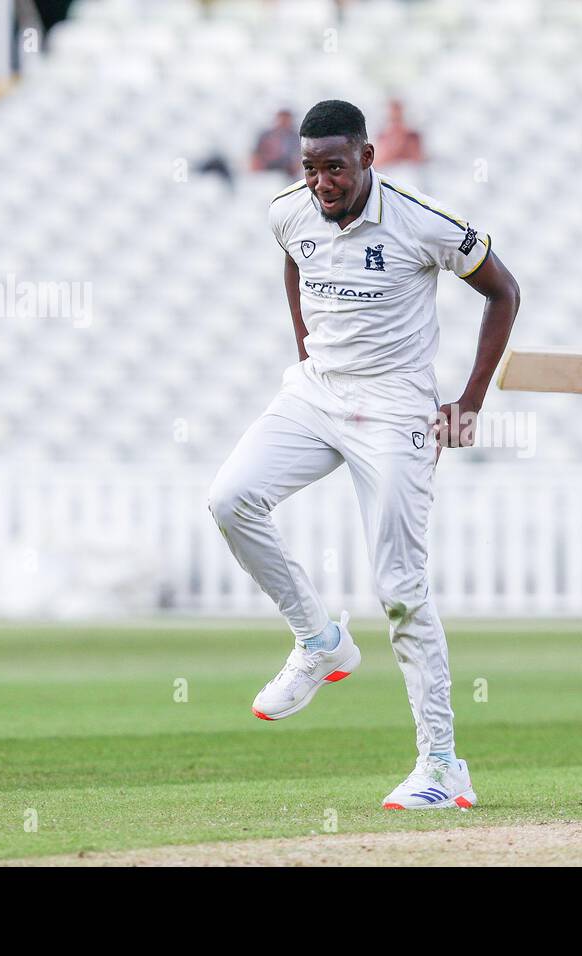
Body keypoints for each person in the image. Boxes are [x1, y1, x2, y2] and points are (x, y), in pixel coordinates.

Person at [208, 100, 521, 811]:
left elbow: (504, 292)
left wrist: (467, 404)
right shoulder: (287, 212)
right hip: (316, 393)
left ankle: (442, 766)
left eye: (336, 168)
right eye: (312, 169)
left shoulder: (423, 220)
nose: (323, 183)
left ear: (368, 158)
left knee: (401, 589)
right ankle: (318, 638)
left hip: (396, 408)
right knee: (229, 499)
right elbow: (295, 265)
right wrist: (305, 353)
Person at [250, 108, 302, 177]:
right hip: (266, 171)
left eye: (286, 118)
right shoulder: (265, 135)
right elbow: (255, 156)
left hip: (288, 172)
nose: (284, 121)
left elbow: (299, 157)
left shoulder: (295, 137)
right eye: (282, 118)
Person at [374, 99, 424, 167]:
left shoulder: (413, 138)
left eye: (398, 119)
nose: (396, 125)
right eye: (393, 120)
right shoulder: (382, 138)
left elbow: (419, 161)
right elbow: (378, 163)